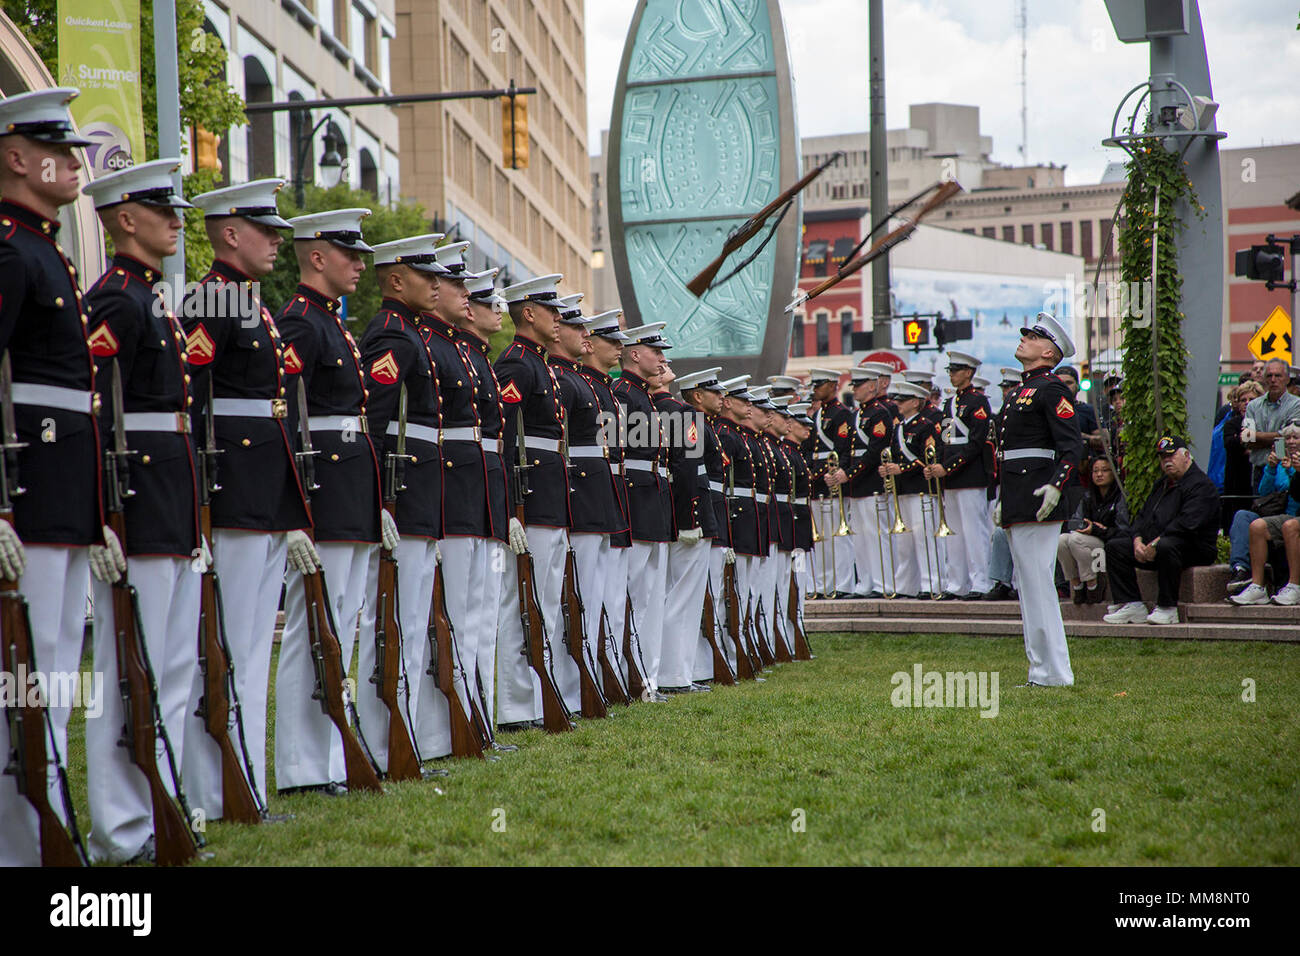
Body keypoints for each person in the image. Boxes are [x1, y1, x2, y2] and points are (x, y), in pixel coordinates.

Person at [0, 88, 124, 867]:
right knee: (25, 673)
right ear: (15, 157)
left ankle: (38, 832)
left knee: (49, 669)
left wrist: (98, 509)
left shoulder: (47, 251)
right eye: (58, 148)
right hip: (30, 495)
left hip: (64, 497)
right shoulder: (13, 252)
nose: (76, 161)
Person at [82, 159, 200, 862]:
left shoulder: (152, 299)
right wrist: (102, 511)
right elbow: (97, 414)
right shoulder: (117, 302)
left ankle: (162, 810)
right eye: (163, 210)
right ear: (126, 218)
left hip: (169, 499)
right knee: (131, 667)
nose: (176, 221)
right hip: (137, 503)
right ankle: (123, 829)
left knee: (173, 664)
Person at [182, 177, 308, 821]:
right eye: (267, 232)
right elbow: (194, 399)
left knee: (256, 643)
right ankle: (212, 789)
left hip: (263, 490)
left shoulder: (251, 303)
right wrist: (202, 489)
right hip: (232, 488)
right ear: (230, 233)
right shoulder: (212, 299)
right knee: (226, 641)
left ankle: (246, 782)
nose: (277, 244)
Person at [274, 208, 388, 796]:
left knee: (338, 627)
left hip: (348, 492)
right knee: (310, 628)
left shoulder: (331, 323)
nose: (360, 263)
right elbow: (288, 417)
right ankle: (299, 766)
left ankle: (327, 758)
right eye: (350, 253)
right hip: (323, 492)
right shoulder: (299, 323)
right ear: (316, 256)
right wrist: (293, 508)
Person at [356, 233, 448, 770]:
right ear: (395, 279)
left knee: (412, 620)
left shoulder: (409, 334)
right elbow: (377, 424)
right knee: (396, 621)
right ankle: (383, 735)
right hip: (403, 491)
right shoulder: (393, 334)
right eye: (425, 275)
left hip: (419, 490)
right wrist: (383, 502)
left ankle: (402, 733)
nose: (436, 283)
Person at [494, 274, 571, 729]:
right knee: (521, 602)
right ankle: (516, 707)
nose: (558, 318)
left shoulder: (539, 364)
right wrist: (508, 509)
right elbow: (505, 441)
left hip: (550, 496)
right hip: (530, 498)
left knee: (544, 600)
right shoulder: (517, 365)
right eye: (550, 310)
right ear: (528, 313)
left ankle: (538, 697)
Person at [996, 313, 1082, 685]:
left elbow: (1070, 446)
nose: (1023, 340)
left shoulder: (1051, 389)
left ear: (1048, 351)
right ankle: (1041, 669)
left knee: (1038, 586)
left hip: (1038, 494)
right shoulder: (1020, 390)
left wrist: (1057, 485)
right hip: (1019, 495)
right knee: (1028, 585)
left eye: (1031, 337)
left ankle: (1055, 672)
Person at [613, 324, 676, 693]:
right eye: (655, 352)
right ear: (635, 354)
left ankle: (646, 676)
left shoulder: (643, 396)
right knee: (636, 592)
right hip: (636, 497)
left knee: (650, 595)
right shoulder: (622, 393)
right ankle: (631, 675)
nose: (662, 359)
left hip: (652, 496)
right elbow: (617, 450)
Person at [1103, 436, 1219, 626]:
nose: (1166, 461)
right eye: (1163, 458)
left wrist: (1155, 544)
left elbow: (1186, 525)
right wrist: (1138, 541)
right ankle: (1132, 604)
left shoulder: (1201, 485)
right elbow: (1142, 516)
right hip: (1157, 544)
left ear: (1186, 456)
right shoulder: (1162, 483)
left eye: (1171, 456)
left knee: (1167, 545)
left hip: (1194, 547)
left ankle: (1167, 607)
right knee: (1115, 547)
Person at [926, 350, 993, 599]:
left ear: (968, 372)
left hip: (970, 475)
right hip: (951, 477)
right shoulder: (949, 404)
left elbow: (976, 443)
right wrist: (937, 466)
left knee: (974, 532)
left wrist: (948, 466)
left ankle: (981, 582)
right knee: (954, 532)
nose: (952, 375)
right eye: (950, 371)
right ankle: (957, 582)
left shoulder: (978, 401)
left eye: (956, 370)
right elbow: (945, 440)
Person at [1229, 423, 1300, 606]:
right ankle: (1255, 585)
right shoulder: (1279, 460)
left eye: (1296, 437)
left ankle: (1294, 586)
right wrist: (1270, 468)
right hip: (1277, 513)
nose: (1291, 442)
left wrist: (1294, 470)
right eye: (1288, 438)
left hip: (1294, 514)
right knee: (1255, 524)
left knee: (1290, 526)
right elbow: (1264, 492)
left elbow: (1296, 495)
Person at [1056, 457, 1127, 605]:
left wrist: (1097, 530)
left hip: (1108, 542)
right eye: (1095, 471)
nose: (1099, 474)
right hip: (1086, 539)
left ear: (1114, 473)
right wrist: (1085, 526)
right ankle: (1077, 585)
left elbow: (1123, 530)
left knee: (1075, 540)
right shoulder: (1088, 496)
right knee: (1061, 540)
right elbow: (1074, 521)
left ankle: (1093, 584)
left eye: (1105, 470)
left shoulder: (1120, 496)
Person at [1242, 358, 1300, 489]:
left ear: (1286, 379)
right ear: (1264, 379)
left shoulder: (1296, 405)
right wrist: (1278, 436)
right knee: (1259, 508)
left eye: (1278, 375)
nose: (1273, 380)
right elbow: (1247, 440)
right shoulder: (1253, 406)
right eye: (1269, 376)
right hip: (1259, 469)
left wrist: (1257, 436)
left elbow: (1289, 439)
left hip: (1285, 469)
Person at [1220, 381, 1263, 538]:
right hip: (1237, 482)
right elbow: (1231, 445)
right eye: (1243, 400)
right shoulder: (1231, 424)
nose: (1247, 404)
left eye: (1251, 400)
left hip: (1261, 480)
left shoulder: (1265, 423)